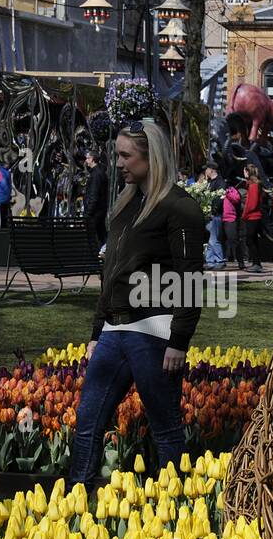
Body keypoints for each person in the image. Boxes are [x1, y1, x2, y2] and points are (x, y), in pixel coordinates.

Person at [68, 120, 204, 487]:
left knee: (165, 428)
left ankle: (176, 504)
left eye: (126, 155)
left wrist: (179, 340)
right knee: (88, 420)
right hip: (116, 331)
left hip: (155, 333)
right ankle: (75, 497)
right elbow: (111, 273)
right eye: (117, 155)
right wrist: (98, 331)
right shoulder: (126, 207)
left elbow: (191, 277)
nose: (120, 163)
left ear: (151, 157)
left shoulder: (179, 207)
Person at [240, 164, 268, 273]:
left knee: (250, 240)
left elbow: (252, 204)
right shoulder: (252, 184)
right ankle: (256, 263)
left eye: (244, 171)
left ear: (248, 172)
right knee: (252, 240)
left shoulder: (253, 185)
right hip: (252, 216)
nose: (243, 173)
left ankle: (256, 263)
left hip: (253, 216)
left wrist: (244, 214)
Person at [83, 149, 109, 249]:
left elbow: (94, 196)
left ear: (93, 159)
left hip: (95, 212)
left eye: (88, 158)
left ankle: (96, 257)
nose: (86, 161)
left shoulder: (96, 175)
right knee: (102, 235)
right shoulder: (100, 172)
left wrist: (87, 214)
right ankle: (104, 255)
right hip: (100, 211)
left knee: (92, 238)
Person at [203, 163, 227, 269]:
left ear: (212, 170)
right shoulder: (210, 182)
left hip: (215, 214)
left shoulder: (220, 182)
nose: (205, 171)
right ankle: (210, 261)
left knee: (213, 238)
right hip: (209, 214)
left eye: (206, 169)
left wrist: (214, 209)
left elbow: (221, 197)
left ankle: (219, 261)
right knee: (210, 238)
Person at [222, 180, 243, 270]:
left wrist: (227, 193)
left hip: (230, 219)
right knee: (220, 240)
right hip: (221, 218)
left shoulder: (232, 190)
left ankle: (240, 261)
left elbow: (236, 199)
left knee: (234, 240)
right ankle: (222, 260)